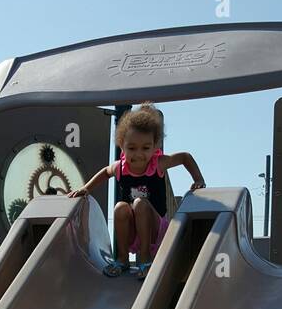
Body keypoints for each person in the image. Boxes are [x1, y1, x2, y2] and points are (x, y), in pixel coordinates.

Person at [69, 103, 206, 278]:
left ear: (155, 146)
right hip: (134, 231)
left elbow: (185, 157)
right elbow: (105, 172)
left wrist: (198, 180)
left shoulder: (158, 164)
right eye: (132, 148)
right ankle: (122, 258)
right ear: (122, 145)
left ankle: (145, 258)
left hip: (156, 230)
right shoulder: (121, 167)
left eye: (145, 148)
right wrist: (85, 189)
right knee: (120, 207)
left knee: (140, 203)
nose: (139, 154)